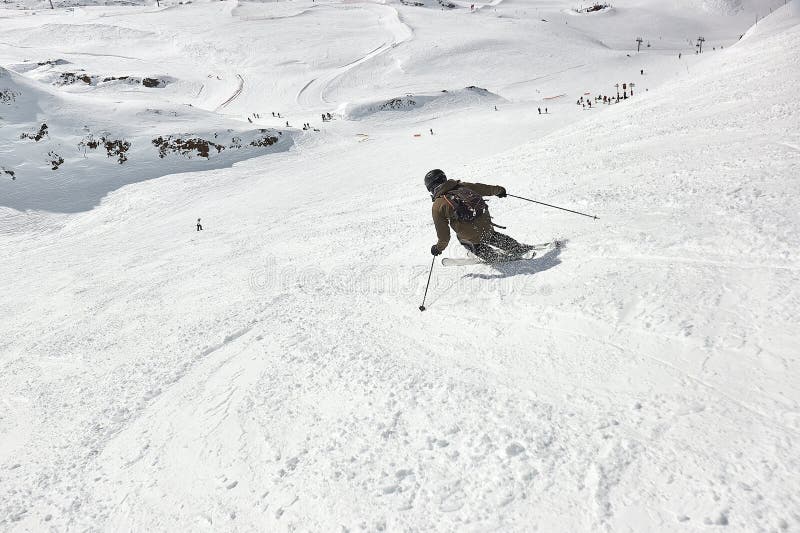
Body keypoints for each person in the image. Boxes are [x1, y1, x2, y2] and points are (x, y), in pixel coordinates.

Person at [425, 169, 534, 262]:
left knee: (468, 241)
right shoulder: (463, 186)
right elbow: (484, 188)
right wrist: (499, 191)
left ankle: (493, 256)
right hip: (486, 224)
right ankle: (516, 247)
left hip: (470, 235)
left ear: (431, 188)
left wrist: (438, 248)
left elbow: (444, 236)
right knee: (490, 235)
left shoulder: (437, 205)